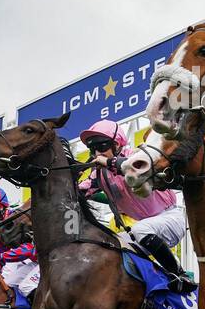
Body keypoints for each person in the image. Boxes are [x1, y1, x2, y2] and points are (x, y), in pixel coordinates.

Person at [77, 119, 194, 292]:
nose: (96, 153)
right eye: (92, 149)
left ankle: (179, 275)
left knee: (140, 229)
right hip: (142, 229)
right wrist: (71, 176)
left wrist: (108, 162)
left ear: (117, 144)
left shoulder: (137, 155)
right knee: (109, 247)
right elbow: (79, 193)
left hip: (170, 218)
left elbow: (131, 167)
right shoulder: (99, 175)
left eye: (101, 146)